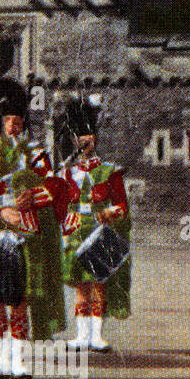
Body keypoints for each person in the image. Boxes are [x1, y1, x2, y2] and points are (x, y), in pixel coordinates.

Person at [0, 79, 69, 379]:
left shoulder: (36, 153)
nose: (13, 125)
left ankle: (18, 359)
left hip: (25, 231)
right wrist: (1, 210)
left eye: (17, 119)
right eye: (7, 120)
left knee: (19, 297)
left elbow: (54, 184)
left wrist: (32, 198)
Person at [57, 96, 131, 352]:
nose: (85, 141)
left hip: (100, 231)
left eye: (89, 135)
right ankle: (81, 334)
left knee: (98, 283)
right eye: (80, 136)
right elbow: (61, 203)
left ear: (95, 138)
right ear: (75, 140)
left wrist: (110, 212)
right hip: (75, 229)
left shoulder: (110, 171)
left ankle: (97, 335)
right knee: (81, 285)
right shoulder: (67, 172)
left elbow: (122, 205)